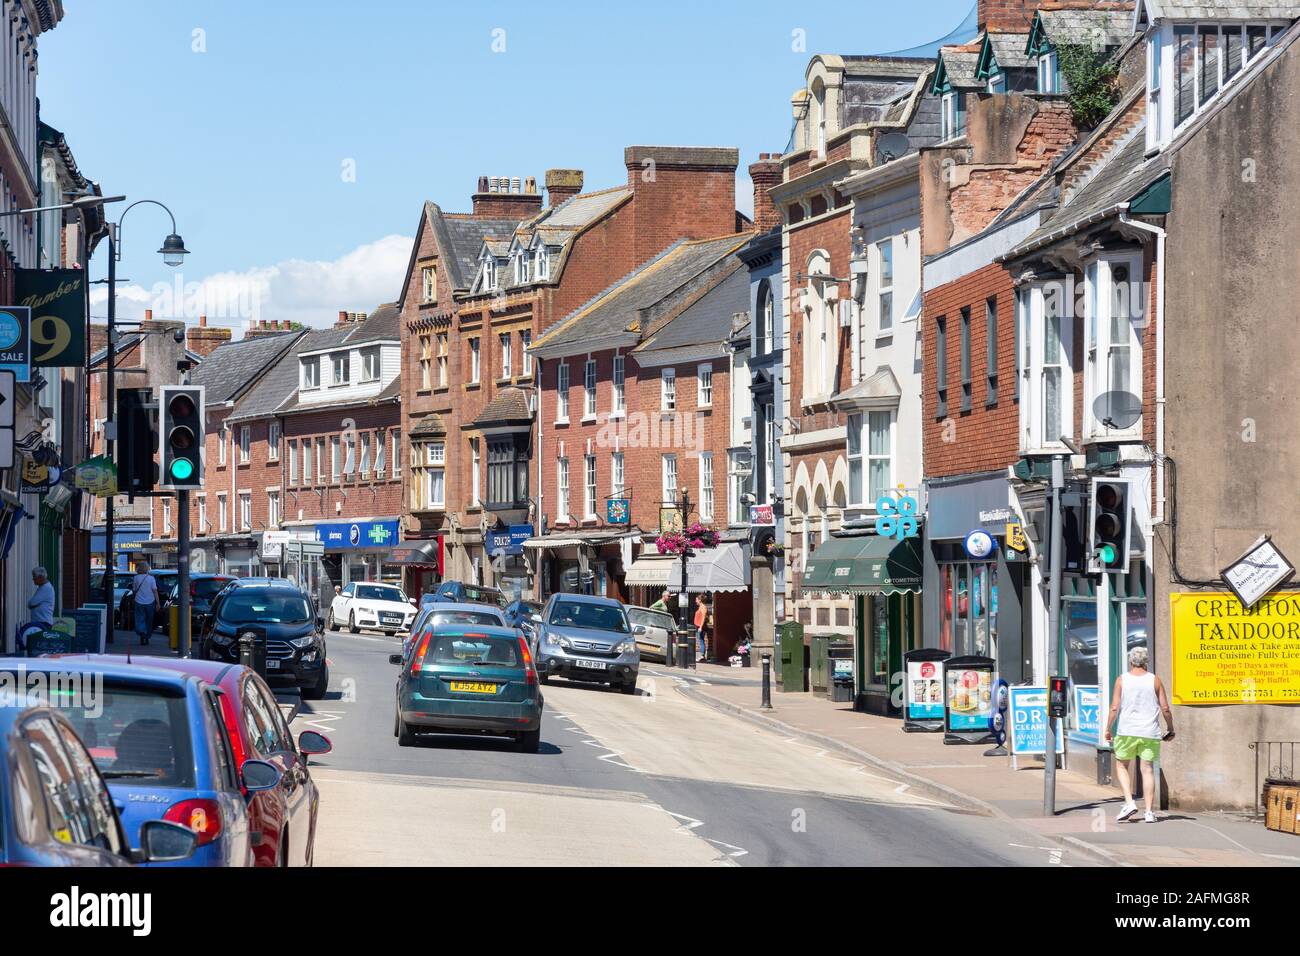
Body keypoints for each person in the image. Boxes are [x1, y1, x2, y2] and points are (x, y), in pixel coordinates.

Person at [1105, 646, 1174, 824]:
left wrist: (1108, 728)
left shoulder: (1122, 680)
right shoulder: (1155, 680)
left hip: (1127, 730)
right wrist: (1171, 728)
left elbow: (1114, 707)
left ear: (1131, 661)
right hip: (1150, 732)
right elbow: (1165, 708)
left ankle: (1129, 802)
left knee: (1121, 766)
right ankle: (1149, 812)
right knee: (1148, 769)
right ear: (1146, 662)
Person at [131, 560, 160, 646]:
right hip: (150, 602)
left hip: (138, 601)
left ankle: (142, 633)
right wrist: (158, 603)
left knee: (140, 618)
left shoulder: (136, 578)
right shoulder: (151, 578)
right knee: (149, 620)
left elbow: (134, 590)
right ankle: (147, 636)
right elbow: (155, 591)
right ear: (147, 568)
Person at [693, 595, 710, 662]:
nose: (695, 601)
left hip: (701, 627)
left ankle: (702, 655)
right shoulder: (700, 607)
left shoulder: (703, 607)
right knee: (700, 640)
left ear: (700, 600)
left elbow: (703, 617)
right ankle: (702, 656)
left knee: (701, 640)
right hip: (698, 626)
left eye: (696, 599)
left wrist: (700, 627)